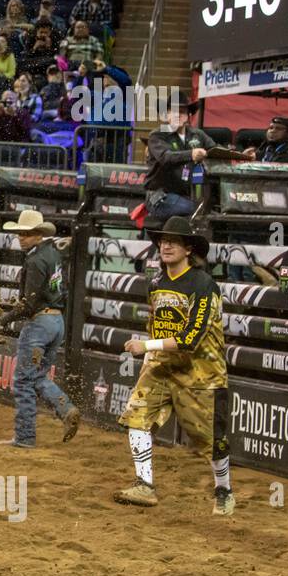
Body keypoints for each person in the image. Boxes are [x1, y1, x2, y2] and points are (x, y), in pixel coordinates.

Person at [114, 217, 234, 516]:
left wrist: (147, 346)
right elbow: (156, 323)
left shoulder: (204, 285)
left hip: (201, 371)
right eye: (163, 240)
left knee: (210, 438)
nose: (166, 245)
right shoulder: (155, 282)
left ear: (188, 248)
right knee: (137, 416)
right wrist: (151, 352)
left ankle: (224, 490)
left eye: (174, 241)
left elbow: (191, 337)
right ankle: (144, 484)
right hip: (162, 365)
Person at [0, 210, 81, 448]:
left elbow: (28, 303)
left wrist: (4, 319)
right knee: (36, 375)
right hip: (56, 322)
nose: (22, 237)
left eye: (27, 234)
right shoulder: (53, 255)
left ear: (39, 235)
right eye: (20, 233)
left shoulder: (34, 260)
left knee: (22, 380)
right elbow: (62, 288)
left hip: (40, 324)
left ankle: (25, 437)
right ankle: (65, 407)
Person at [144, 102, 253, 220]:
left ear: (188, 115)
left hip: (186, 196)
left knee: (204, 211)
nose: (178, 115)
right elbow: (165, 157)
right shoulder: (157, 135)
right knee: (199, 212)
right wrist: (191, 154)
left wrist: (241, 156)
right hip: (161, 196)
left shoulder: (198, 134)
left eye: (182, 112)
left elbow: (216, 150)